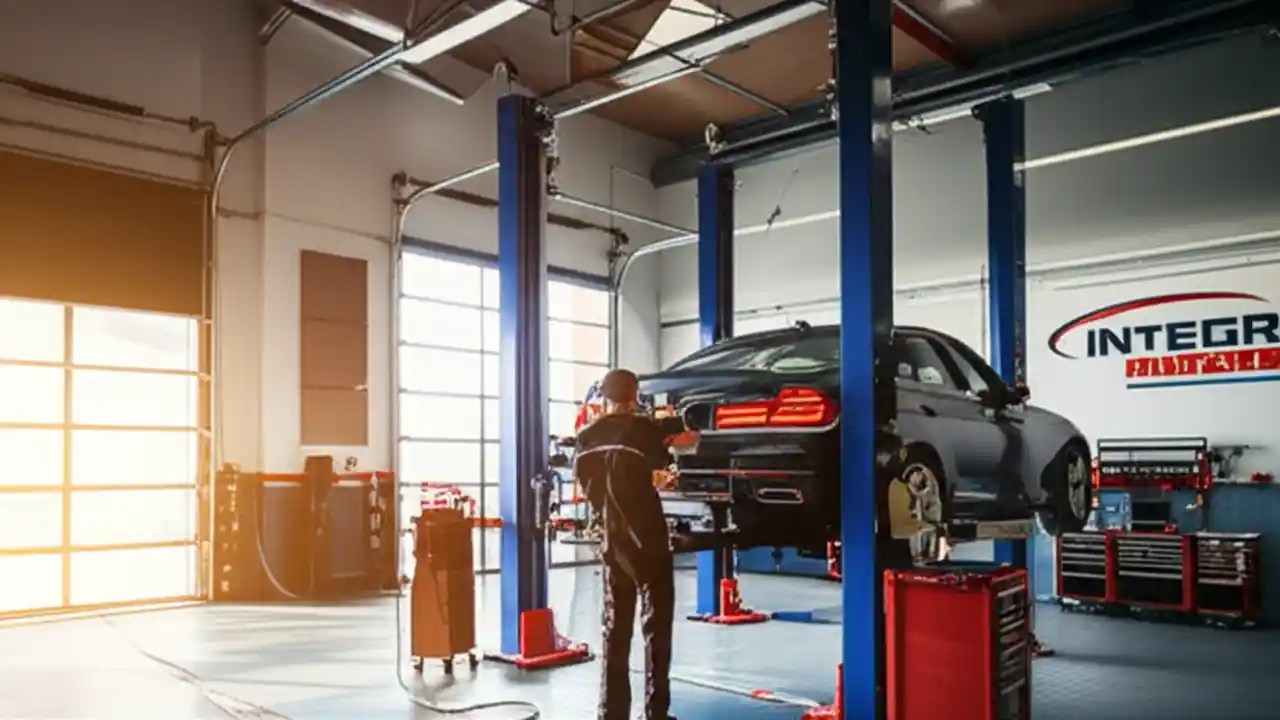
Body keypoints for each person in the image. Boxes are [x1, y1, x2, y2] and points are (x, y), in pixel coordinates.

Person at [574, 369, 699, 720]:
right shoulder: (646, 428)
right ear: (635, 395)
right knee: (656, 630)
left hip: (612, 543)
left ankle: (611, 713)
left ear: (604, 396)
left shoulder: (586, 436)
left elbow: (587, 483)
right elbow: (681, 448)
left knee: (615, 631)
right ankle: (656, 713)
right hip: (649, 540)